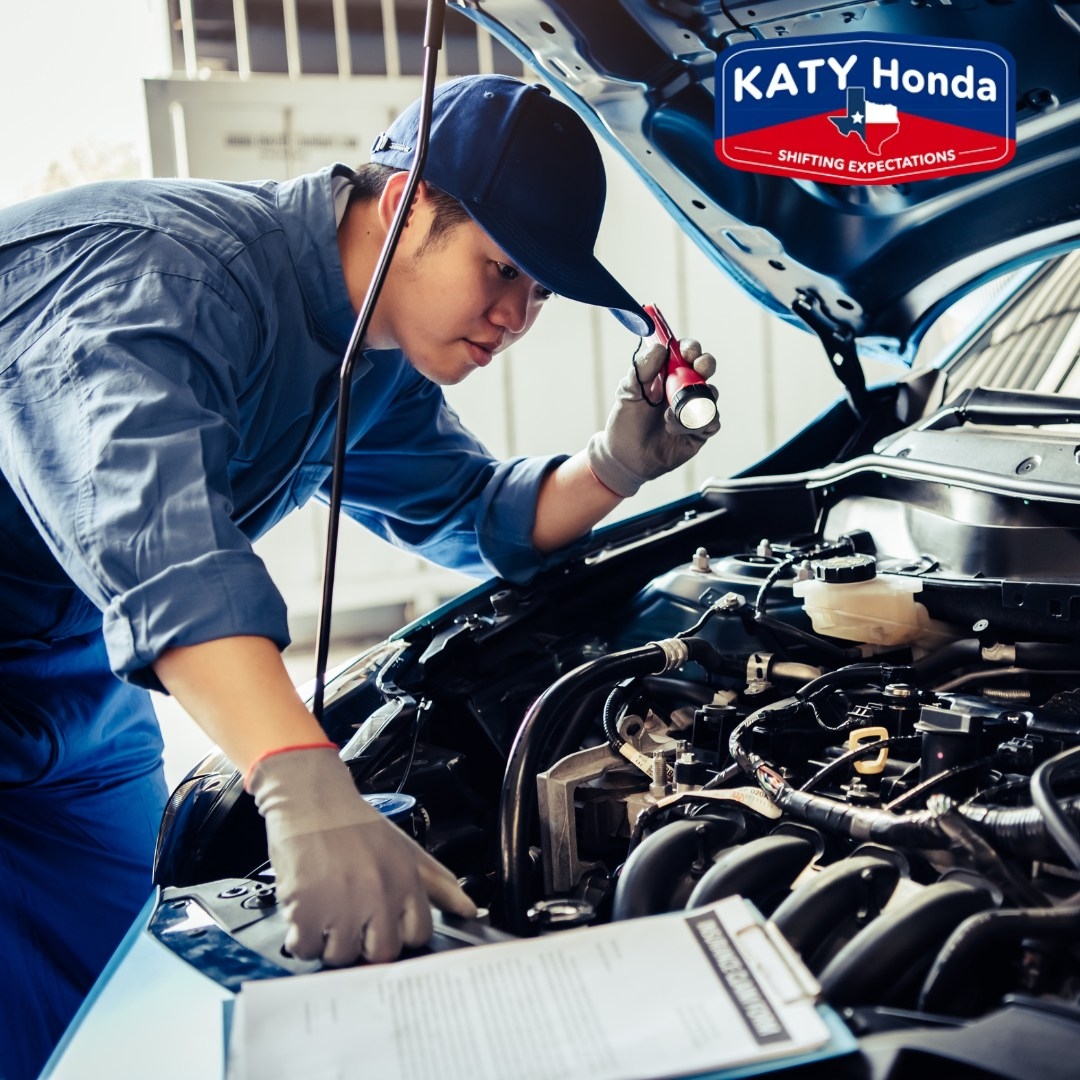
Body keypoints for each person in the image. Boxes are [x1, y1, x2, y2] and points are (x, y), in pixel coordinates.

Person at [0, 73, 720, 1079]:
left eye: (539, 294)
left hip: (67, 691)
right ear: (404, 204)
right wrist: (307, 787)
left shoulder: (366, 363)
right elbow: (160, 547)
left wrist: (615, 464)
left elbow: (478, 514)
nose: (515, 316)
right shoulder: (171, 277)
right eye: (501, 268)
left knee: (121, 1009)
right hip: (67, 646)